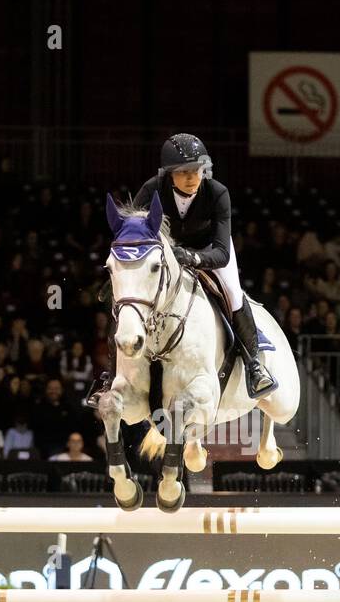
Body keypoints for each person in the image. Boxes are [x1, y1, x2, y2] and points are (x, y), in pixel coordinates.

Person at [86, 133, 277, 407]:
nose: (192, 178)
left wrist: (190, 257)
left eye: (197, 171)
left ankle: (255, 366)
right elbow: (131, 234)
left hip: (209, 250)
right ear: (169, 174)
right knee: (124, 303)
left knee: (234, 293)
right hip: (165, 254)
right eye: (184, 172)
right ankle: (110, 377)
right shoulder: (152, 189)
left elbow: (222, 253)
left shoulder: (218, 193)